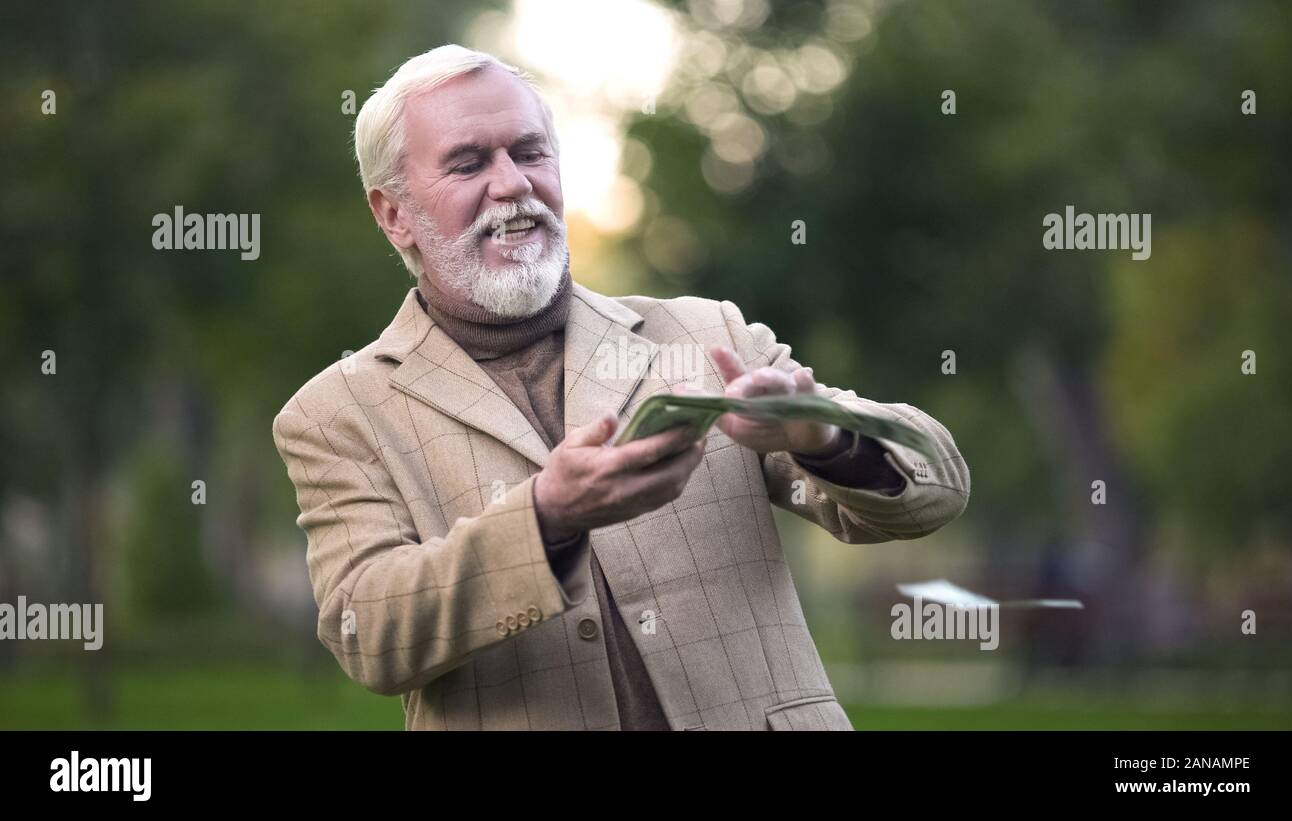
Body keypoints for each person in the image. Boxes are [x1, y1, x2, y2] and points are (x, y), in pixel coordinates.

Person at [272, 44, 970, 730]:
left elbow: (937, 483)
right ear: (393, 213)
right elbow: (369, 634)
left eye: (530, 151)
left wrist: (820, 434)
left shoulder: (704, 333)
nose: (513, 183)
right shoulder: (335, 414)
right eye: (468, 162)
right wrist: (545, 516)